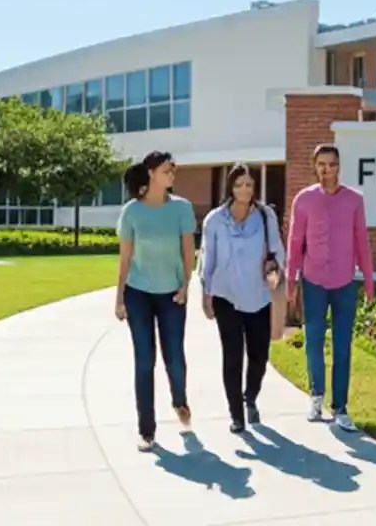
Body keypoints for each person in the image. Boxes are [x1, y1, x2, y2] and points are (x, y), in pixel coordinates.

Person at [285, 143, 375, 432]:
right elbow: (295, 243)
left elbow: (362, 241)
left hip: (344, 282)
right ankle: (316, 397)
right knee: (313, 341)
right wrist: (290, 279)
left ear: (339, 166)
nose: (327, 170)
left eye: (332, 164)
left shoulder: (354, 200)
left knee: (342, 346)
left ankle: (340, 407)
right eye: (321, 164)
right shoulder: (303, 200)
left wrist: (369, 281)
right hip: (312, 281)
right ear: (315, 167)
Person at [114, 150, 197, 451]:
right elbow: (125, 258)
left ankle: (179, 399)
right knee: (144, 360)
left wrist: (187, 285)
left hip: (172, 294)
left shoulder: (182, 209)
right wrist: (119, 297)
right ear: (151, 173)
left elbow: (188, 251)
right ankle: (146, 430)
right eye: (166, 169)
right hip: (138, 293)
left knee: (174, 357)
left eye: (173, 169)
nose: (172, 173)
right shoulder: (132, 212)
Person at [199, 162, 285, 434]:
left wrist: (275, 272)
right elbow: (207, 259)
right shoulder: (214, 219)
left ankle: (250, 397)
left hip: (258, 295)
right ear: (230, 187)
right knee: (232, 356)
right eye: (239, 185)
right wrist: (206, 294)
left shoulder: (265, 215)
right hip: (226, 295)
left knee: (259, 356)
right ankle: (236, 413)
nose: (245, 190)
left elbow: (276, 250)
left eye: (249, 185)